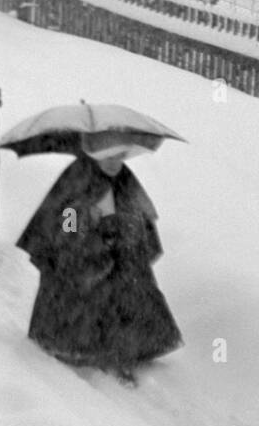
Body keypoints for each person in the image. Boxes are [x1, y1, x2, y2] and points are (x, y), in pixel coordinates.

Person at [16, 141, 183, 382]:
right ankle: (86, 349)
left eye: (120, 157)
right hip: (80, 257)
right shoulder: (76, 177)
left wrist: (123, 227)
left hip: (120, 253)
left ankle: (126, 353)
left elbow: (140, 215)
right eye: (108, 157)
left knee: (130, 294)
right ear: (95, 155)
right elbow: (65, 224)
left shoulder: (125, 178)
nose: (115, 163)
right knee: (90, 294)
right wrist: (87, 216)